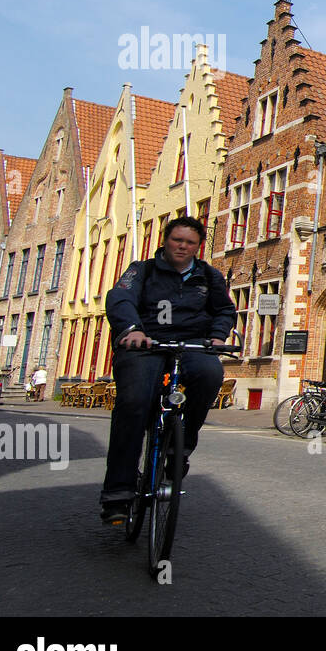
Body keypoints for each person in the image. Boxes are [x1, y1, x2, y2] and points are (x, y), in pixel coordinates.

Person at [98, 215, 237, 523]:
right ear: (165, 240)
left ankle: (180, 448)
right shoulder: (142, 270)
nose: (182, 247)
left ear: (198, 247)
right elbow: (119, 298)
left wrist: (218, 334)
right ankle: (118, 494)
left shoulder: (208, 276)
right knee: (133, 404)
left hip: (191, 344)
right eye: (177, 240)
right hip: (146, 344)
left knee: (210, 374)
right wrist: (132, 329)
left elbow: (225, 309)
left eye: (190, 243)